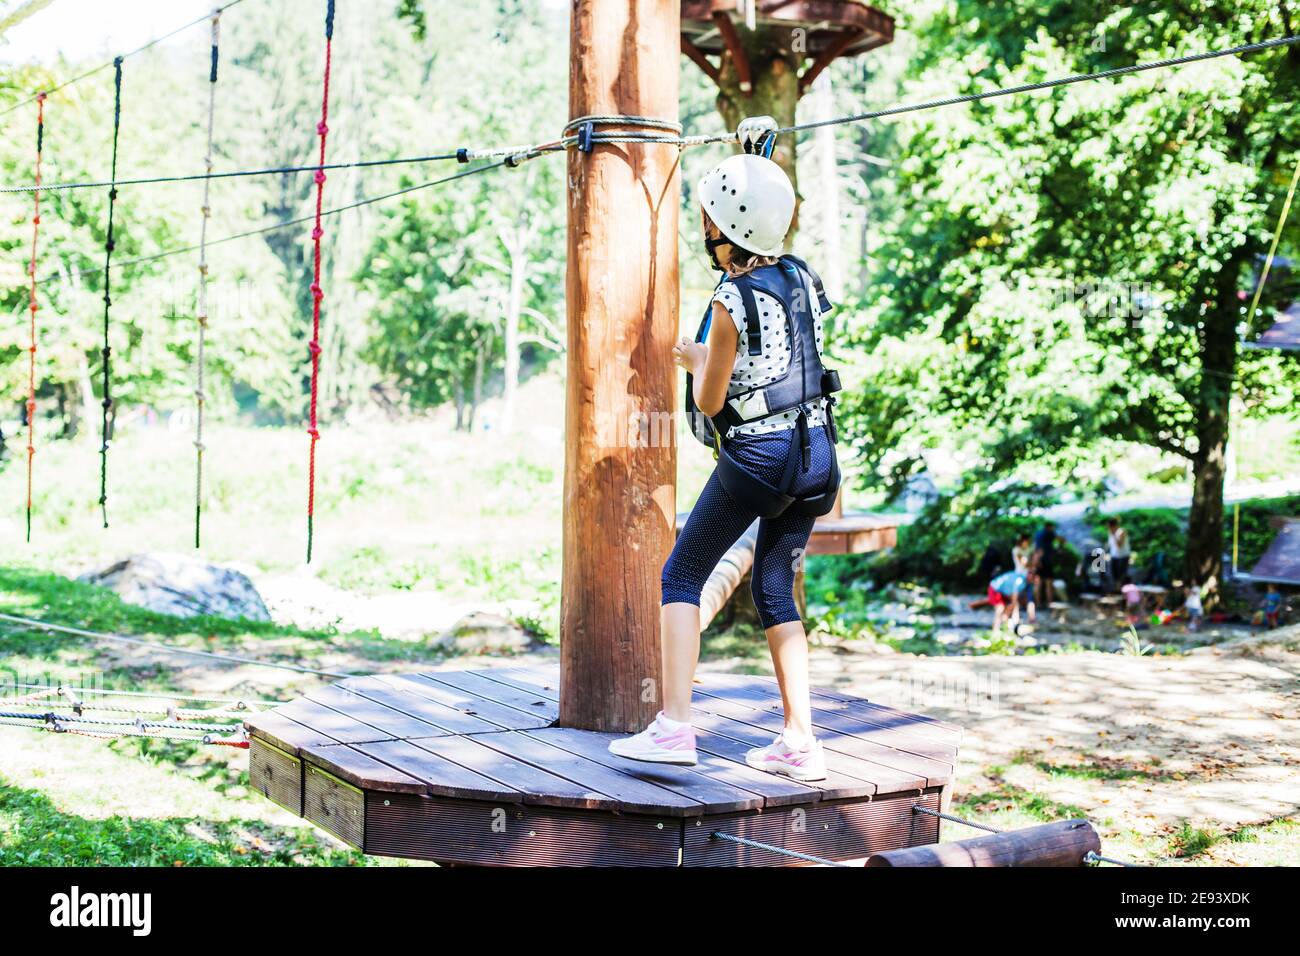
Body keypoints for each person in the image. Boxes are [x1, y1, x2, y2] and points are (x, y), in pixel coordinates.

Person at [607, 142, 839, 783]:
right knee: (773, 586)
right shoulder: (803, 279)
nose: (704, 227)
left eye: (709, 219)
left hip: (760, 458)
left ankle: (674, 728)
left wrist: (693, 360)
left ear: (723, 230)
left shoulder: (730, 301)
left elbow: (712, 401)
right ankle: (800, 741)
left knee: (681, 576)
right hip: (818, 455)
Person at [988, 569, 1035, 635]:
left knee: (1012, 607)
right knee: (1000, 609)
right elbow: (1014, 596)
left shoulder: (1026, 582)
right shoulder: (1020, 580)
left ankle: (1008, 627)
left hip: (1004, 591)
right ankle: (996, 630)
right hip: (995, 589)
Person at [1032, 521, 1057, 606]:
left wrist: (1036, 562)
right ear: (1049, 527)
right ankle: (1050, 604)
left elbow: (1036, 548)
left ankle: (1038, 604)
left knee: (1038, 584)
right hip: (1046, 562)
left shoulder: (1037, 534)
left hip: (1038, 562)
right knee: (1048, 584)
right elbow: (1061, 539)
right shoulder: (1049, 533)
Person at [1106, 517, 1131, 591]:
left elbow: (1119, 545)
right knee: (1114, 576)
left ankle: (1122, 593)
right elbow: (1110, 544)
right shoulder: (1110, 533)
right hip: (1114, 556)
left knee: (1121, 577)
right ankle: (1116, 591)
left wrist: (1114, 535)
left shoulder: (1121, 531)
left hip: (1123, 556)